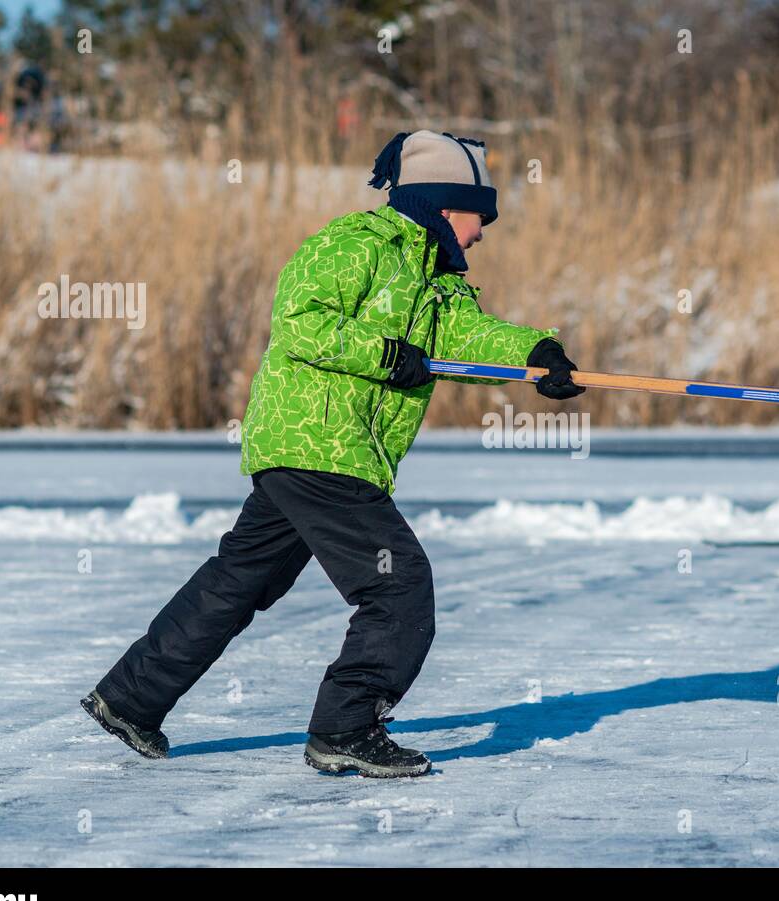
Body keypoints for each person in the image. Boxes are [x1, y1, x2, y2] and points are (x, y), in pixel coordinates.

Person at [82, 130, 585, 778]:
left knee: (242, 579)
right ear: (440, 204)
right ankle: (345, 726)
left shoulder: (435, 281)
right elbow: (301, 321)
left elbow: (468, 337)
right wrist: (384, 355)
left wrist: (536, 357)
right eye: (478, 215)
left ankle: (130, 697)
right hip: (322, 444)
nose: (483, 232)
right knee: (398, 584)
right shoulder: (355, 245)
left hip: (314, 450)